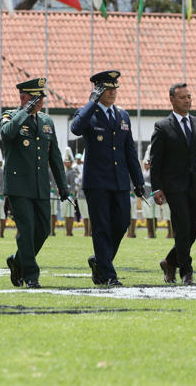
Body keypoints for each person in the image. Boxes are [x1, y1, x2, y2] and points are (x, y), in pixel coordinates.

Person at [71, 70, 144, 286]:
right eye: (107, 89)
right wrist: (91, 102)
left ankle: (101, 262)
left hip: (120, 181)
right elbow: (76, 129)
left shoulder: (122, 115)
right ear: (97, 90)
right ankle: (109, 274)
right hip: (97, 182)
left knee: (121, 223)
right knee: (101, 226)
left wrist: (138, 180)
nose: (112, 93)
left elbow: (129, 150)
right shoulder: (87, 113)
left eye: (114, 88)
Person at [150, 82, 196, 285]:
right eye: (182, 97)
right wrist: (157, 187)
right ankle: (186, 272)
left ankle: (170, 261)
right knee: (182, 227)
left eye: (189, 97)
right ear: (171, 99)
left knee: (195, 228)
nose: (187, 101)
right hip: (174, 186)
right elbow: (156, 161)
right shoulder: (162, 127)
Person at [2, 77, 67, 288]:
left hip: (40, 185)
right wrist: (24, 112)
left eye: (41, 98)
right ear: (23, 97)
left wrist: (62, 185)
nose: (40, 102)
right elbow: (7, 134)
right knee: (27, 230)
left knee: (43, 230)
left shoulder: (46, 121)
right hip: (18, 186)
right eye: (35, 98)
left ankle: (18, 261)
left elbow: (55, 156)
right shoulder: (10, 116)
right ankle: (31, 275)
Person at [61, 147, 77, 237]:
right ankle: (67, 231)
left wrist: (72, 195)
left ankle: (69, 232)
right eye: (66, 161)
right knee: (66, 214)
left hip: (70, 195)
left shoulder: (72, 172)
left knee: (70, 214)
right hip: (65, 195)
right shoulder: (66, 171)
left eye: (68, 161)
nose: (66, 163)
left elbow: (73, 185)